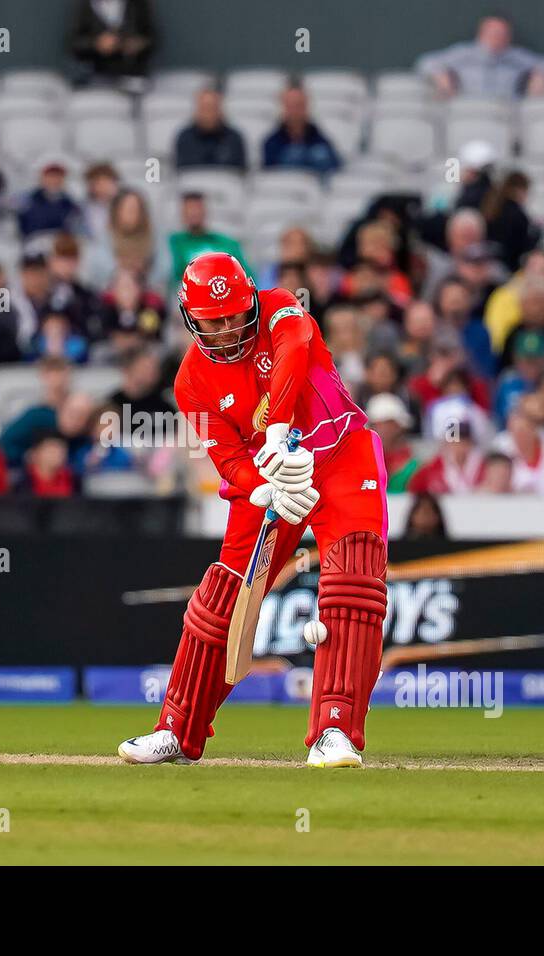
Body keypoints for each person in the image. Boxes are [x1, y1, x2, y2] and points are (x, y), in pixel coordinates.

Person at [117, 251, 388, 770]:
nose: (223, 331)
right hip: (268, 481)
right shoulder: (190, 382)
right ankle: (175, 730)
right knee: (220, 597)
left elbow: (292, 355)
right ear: (189, 319)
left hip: (339, 452)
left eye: (232, 318)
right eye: (210, 322)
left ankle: (336, 729)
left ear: (251, 305)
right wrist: (261, 487)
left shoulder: (283, 307)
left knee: (354, 578)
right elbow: (227, 455)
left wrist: (280, 432)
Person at [415, 14, 544, 99]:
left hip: (507, 113)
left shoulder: (516, 56)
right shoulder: (464, 52)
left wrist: (540, 75)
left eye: (500, 34)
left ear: (508, 37)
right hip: (468, 109)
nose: (495, 38)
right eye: (491, 33)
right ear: (481, 34)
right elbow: (425, 62)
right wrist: (441, 76)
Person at [167, 191, 247, 285]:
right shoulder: (174, 243)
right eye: (189, 208)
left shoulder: (226, 244)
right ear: (182, 212)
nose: (193, 213)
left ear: (205, 210)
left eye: (197, 208)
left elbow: (245, 275)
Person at [69, 0, 156, 88]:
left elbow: (153, 40)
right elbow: (74, 43)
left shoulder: (138, 3)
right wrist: (96, 44)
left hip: (134, 77)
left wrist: (138, 44)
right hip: (97, 78)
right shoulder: (84, 5)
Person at [261, 84, 340, 175]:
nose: (295, 111)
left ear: (307, 107)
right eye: (290, 106)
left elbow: (336, 170)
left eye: (299, 105)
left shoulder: (322, 143)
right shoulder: (271, 145)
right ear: (282, 108)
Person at [175, 88, 246, 171]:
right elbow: (182, 172)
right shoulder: (184, 138)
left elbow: (240, 173)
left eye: (212, 107)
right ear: (197, 110)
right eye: (204, 108)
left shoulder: (234, 139)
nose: (208, 114)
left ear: (220, 109)